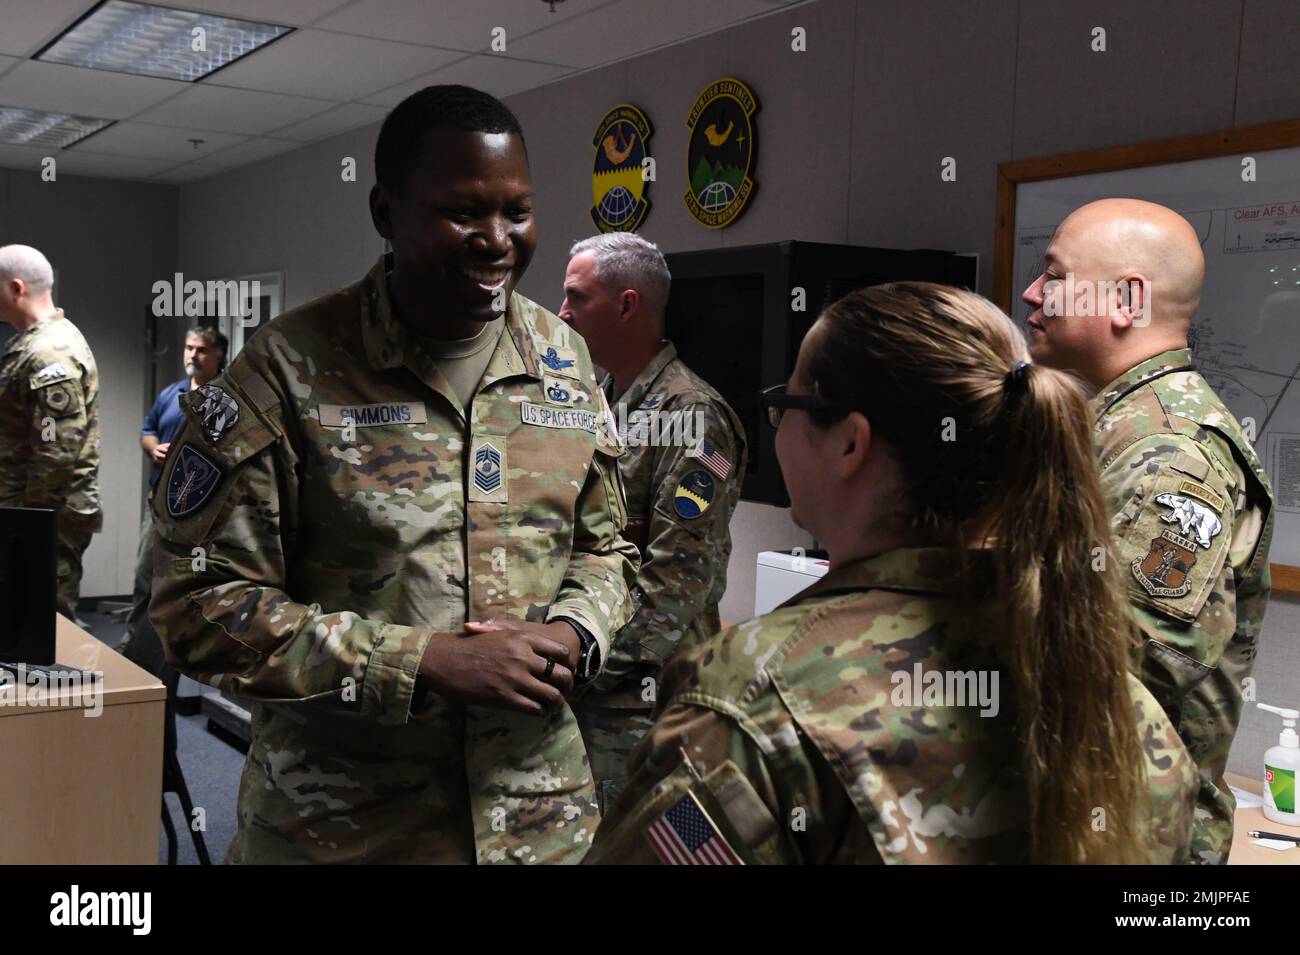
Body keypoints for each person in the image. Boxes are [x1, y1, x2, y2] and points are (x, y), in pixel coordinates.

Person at [149, 85, 639, 864]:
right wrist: (423, 660)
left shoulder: (565, 360)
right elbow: (193, 602)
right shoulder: (285, 370)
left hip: (538, 824)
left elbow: (607, 547)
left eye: (517, 211)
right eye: (463, 212)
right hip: (343, 827)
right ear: (387, 212)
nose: (498, 240)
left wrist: (575, 631)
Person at [587, 282, 1196, 864]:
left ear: (850, 443)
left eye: (787, 405)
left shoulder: (750, 699)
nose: (779, 429)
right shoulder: (1112, 695)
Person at [1021, 198, 1274, 864]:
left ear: (1126, 299)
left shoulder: (1170, 449)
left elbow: (1133, 662)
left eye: (1054, 275)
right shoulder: (1117, 427)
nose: (1031, 292)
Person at [558, 232, 747, 812]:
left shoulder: (692, 418)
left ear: (627, 305)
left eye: (576, 297)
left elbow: (677, 579)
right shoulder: (598, 401)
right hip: (589, 682)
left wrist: (579, 661)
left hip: (643, 692)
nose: (561, 312)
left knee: (645, 840)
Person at [0, 244, 100, 622]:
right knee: (24, 615)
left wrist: (28, 523)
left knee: (44, 620)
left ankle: (45, 682)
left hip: (42, 514)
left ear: (16, 288)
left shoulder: (50, 353)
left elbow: (54, 447)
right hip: (28, 509)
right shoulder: (33, 343)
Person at [118, 326, 226, 670]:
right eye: (189, 347)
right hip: (159, 503)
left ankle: (183, 659)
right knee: (144, 575)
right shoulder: (171, 393)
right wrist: (154, 448)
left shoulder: (226, 397)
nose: (193, 355)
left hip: (201, 509)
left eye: (202, 350)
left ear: (218, 355)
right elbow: (146, 431)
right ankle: (131, 646)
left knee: (187, 584)